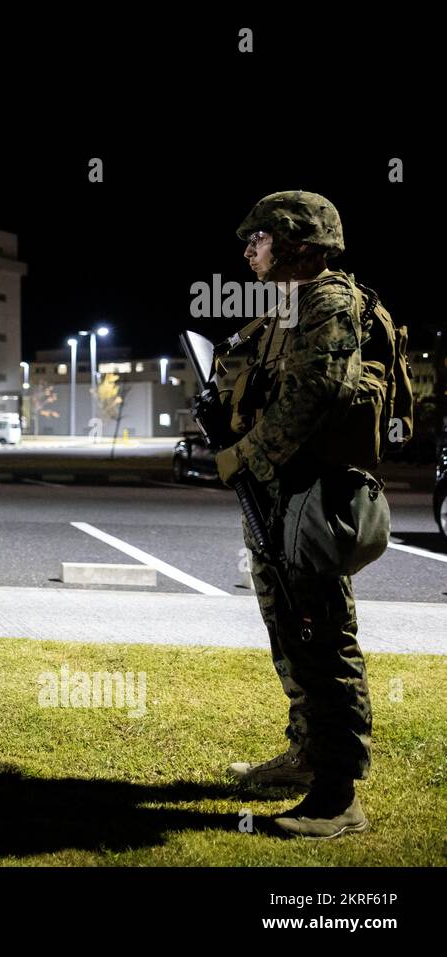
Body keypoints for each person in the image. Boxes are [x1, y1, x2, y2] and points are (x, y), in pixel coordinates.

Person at [216, 190, 375, 838]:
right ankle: (307, 750)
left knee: (322, 633)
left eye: (260, 239)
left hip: (315, 496)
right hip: (282, 494)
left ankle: (338, 797)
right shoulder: (285, 310)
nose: (250, 251)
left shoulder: (328, 300)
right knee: (290, 626)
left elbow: (315, 396)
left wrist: (244, 455)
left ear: (295, 243)